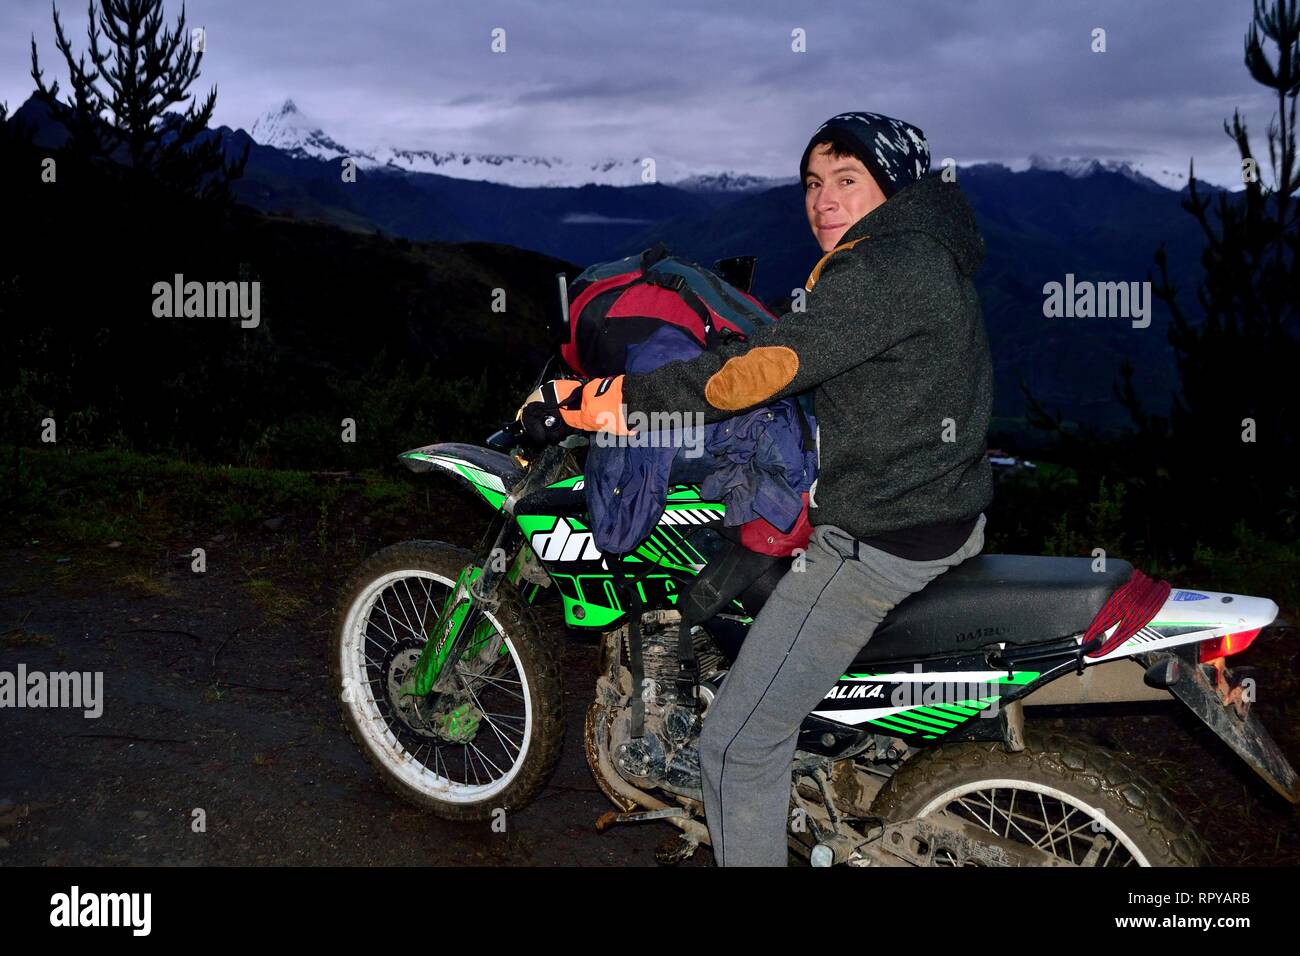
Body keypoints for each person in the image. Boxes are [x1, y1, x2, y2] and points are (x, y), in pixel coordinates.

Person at [525, 110, 994, 866]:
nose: (823, 201)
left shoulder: (881, 270)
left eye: (848, 181)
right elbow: (816, 353)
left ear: (894, 189)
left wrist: (594, 401)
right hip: (946, 510)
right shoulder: (926, 252)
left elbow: (756, 374)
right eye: (813, 183)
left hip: (877, 539)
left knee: (737, 744)